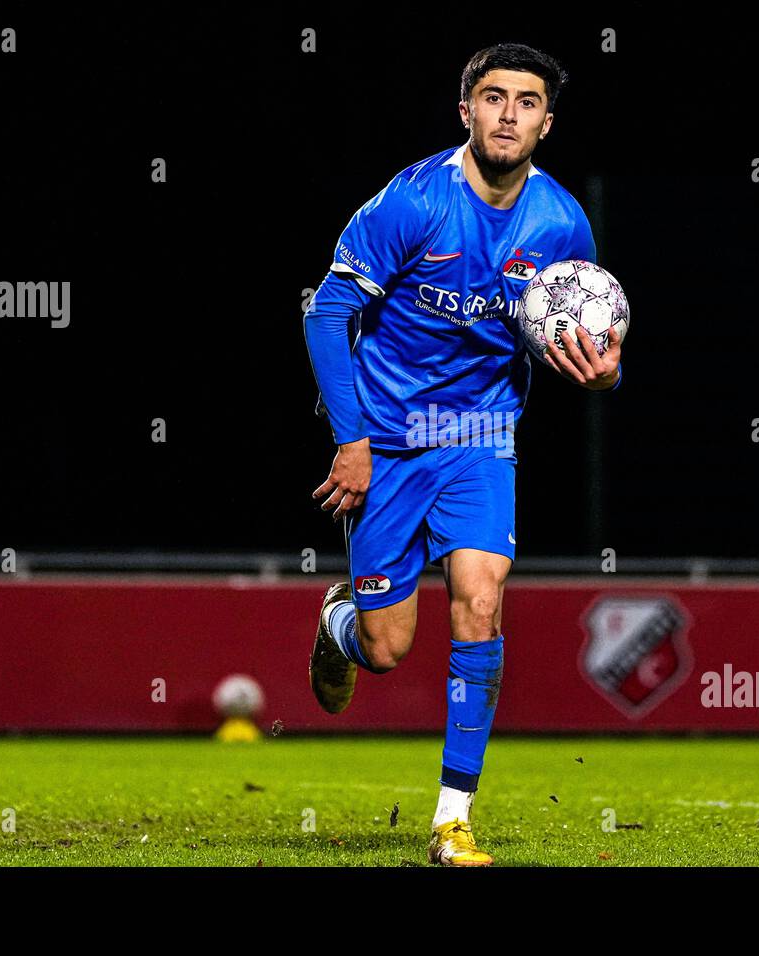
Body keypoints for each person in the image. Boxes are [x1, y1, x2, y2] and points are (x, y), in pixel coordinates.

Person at [302, 42, 623, 865]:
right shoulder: (412, 203)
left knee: (481, 598)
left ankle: (452, 819)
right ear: (466, 112)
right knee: (386, 650)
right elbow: (323, 315)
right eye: (492, 97)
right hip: (388, 439)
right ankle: (340, 622)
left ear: (547, 123)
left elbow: (579, 337)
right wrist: (352, 441)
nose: (508, 113)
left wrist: (603, 372)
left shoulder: (560, 223)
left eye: (525, 101)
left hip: (480, 437)